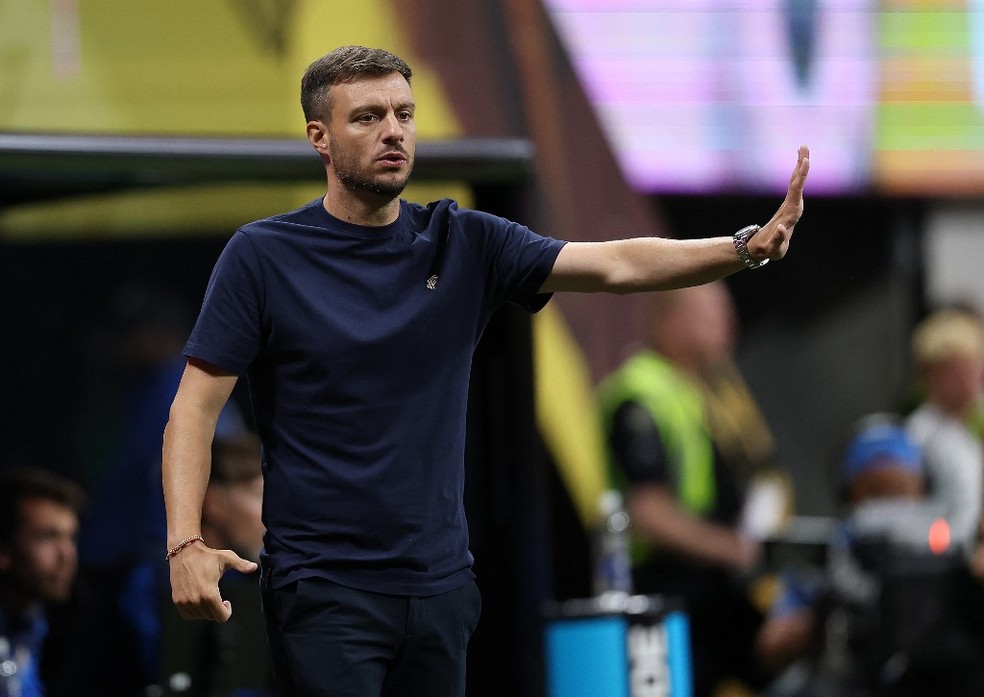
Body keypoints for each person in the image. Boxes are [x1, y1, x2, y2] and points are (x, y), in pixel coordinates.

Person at [161, 45, 809, 697]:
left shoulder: (463, 241)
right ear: (319, 137)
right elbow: (193, 409)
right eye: (367, 117)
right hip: (324, 589)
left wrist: (744, 248)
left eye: (403, 113)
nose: (393, 131)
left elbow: (616, 264)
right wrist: (184, 544)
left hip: (441, 590)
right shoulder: (263, 256)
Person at [596, 280, 789, 697]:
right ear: (671, 320)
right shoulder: (642, 392)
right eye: (711, 314)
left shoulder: (698, 387)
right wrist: (736, 548)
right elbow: (649, 513)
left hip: (707, 586)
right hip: (666, 591)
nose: (728, 324)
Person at [756, 417, 984, 697]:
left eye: (899, 489)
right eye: (874, 492)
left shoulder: (952, 555)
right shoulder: (830, 555)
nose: (887, 504)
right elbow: (771, 646)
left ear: (921, 487)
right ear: (849, 493)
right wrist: (812, 629)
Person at [905, 307, 984, 553]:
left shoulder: (977, 420)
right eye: (953, 373)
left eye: (970, 370)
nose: (965, 383)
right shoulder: (917, 435)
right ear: (927, 375)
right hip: (943, 556)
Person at [0, 467, 85, 697]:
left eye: (70, 537)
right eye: (47, 537)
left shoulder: (34, 622)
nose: (67, 554)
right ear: (4, 548)